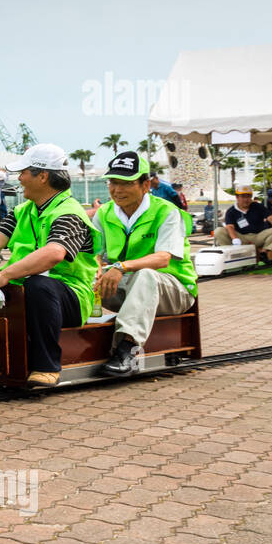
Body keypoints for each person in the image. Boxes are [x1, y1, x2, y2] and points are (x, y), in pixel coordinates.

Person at [0, 143, 98, 386]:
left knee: (39, 285)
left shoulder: (70, 212)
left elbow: (54, 253)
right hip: (23, 289)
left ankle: (47, 366)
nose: (19, 178)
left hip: (69, 297)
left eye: (23, 172)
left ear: (43, 176)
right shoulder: (22, 211)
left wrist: (3, 275)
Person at [88, 152, 197, 377]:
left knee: (146, 275)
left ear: (146, 185)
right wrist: (97, 268)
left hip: (173, 290)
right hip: (127, 287)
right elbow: (94, 253)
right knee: (80, 276)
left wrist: (121, 267)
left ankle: (127, 350)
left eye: (126, 183)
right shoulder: (104, 213)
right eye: (113, 182)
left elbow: (163, 258)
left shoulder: (167, 212)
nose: (117, 190)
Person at [214, 186, 272, 256]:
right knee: (219, 231)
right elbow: (230, 227)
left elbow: (270, 217)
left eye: (248, 196)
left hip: (258, 236)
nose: (246, 199)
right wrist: (235, 239)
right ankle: (231, 253)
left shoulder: (257, 206)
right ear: (237, 197)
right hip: (241, 238)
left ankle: (264, 252)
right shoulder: (231, 211)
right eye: (243, 197)